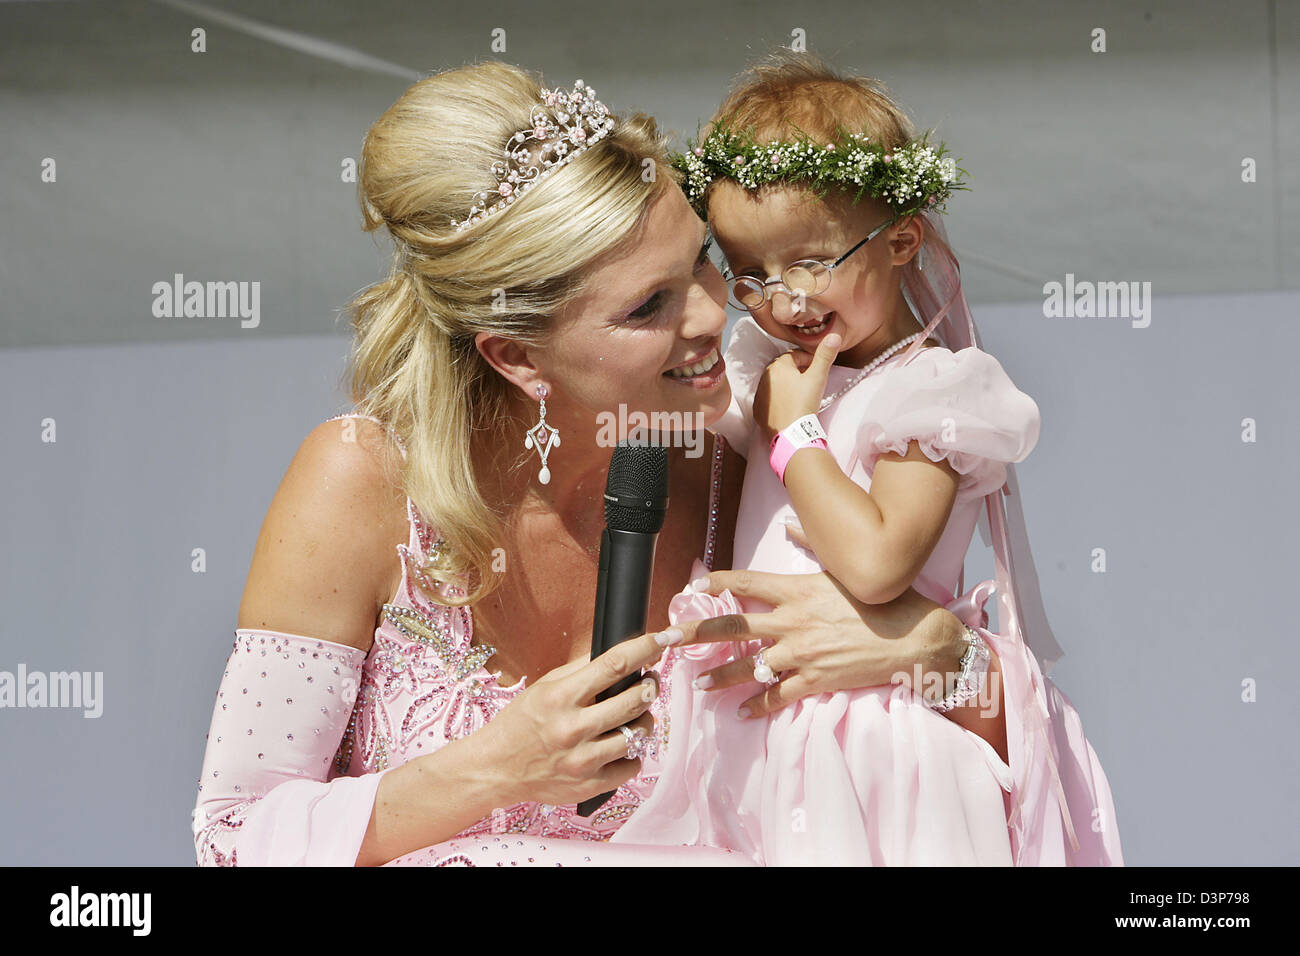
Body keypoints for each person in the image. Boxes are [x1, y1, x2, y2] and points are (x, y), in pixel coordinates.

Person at [193, 60, 1014, 867]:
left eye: (701, 261)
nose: (712, 314)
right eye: (646, 306)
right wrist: (491, 770)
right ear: (518, 357)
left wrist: (942, 654)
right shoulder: (364, 482)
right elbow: (230, 838)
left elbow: (951, 762)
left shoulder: (753, 467)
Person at [613, 53, 1123, 865]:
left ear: (902, 242)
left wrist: (796, 436)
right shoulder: (765, 369)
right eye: (749, 273)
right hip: (761, 727)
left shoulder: (931, 394)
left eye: (810, 263)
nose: (782, 300)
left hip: (877, 738)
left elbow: (879, 564)